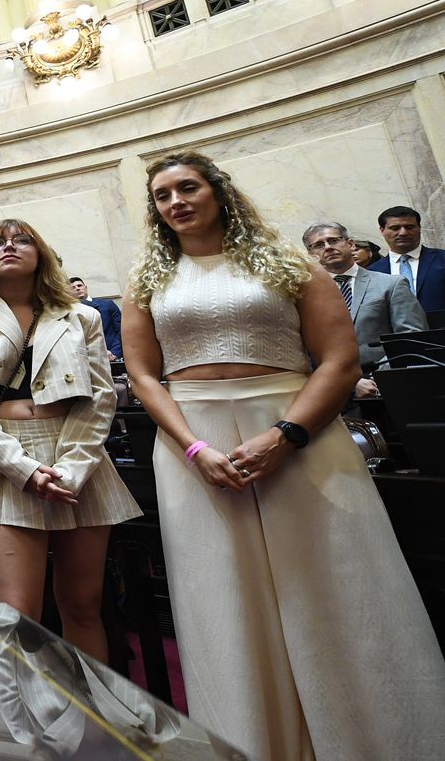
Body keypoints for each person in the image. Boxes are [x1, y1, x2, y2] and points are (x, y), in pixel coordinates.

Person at [121, 151, 445, 760]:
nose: (176, 202)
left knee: (331, 583)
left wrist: (285, 435)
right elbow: (142, 375)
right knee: (224, 596)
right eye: (162, 195)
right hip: (195, 444)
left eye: (187, 188)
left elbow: (340, 361)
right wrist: (194, 446)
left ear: (219, 191)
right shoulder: (147, 279)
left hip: (297, 431)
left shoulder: (287, 263)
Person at [0, 221, 139, 660]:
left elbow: (101, 396)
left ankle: (88, 702)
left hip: (78, 453)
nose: (8, 246)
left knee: (83, 604)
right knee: (18, 613)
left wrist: (71, 469)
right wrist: (24, 468)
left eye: (21, 240)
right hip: (8, 455)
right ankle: (24, 706)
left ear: (42, 253)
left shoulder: (82, 315)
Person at [302, 222, 425, 397]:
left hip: (390, 384)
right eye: (319, 245)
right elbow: (305, 349)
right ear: (311, 255)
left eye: (334, 241)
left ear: (350, 244)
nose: (328, 247)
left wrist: (380, 378)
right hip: (332, 391)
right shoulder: (304, 295)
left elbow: (411, 336)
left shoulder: (390, 284)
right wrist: (350, 383)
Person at [369, 204, 444, 311]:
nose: (403, 233)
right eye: (395, 228)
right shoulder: (373, 272)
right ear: (382, 230)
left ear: (419, 228)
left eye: (409, 227)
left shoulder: (442, 259)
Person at [67, 277, 123, 360]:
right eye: (73, 288)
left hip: (113, 356)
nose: (77, 288)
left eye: (79, 285)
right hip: (85, 359)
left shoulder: (107, 304)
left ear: (86, 288)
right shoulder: (68, 312)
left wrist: (114, 352)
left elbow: (121, 329)